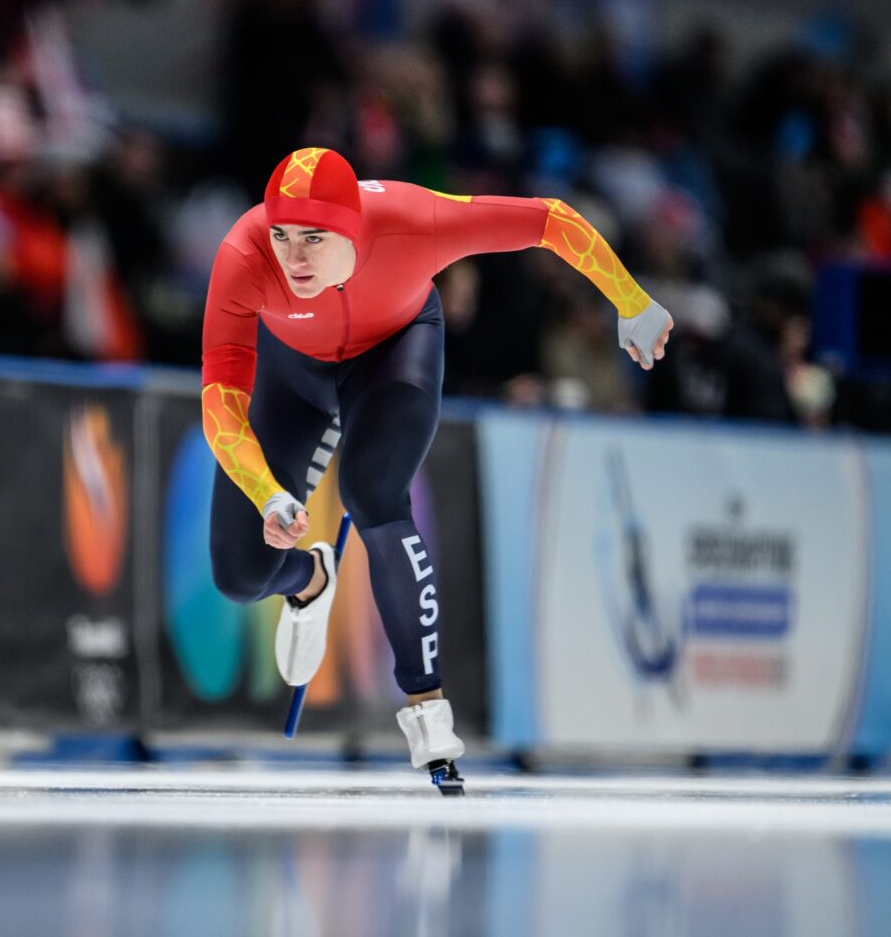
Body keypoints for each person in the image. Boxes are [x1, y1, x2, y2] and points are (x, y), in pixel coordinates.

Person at [201, 147, 672, 784]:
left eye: (314, 239)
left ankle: (426, 709)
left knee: (373, 491)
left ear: (354, 228)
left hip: (393, 355)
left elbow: (551, 219)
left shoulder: (413, 220)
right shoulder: (244, 254)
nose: (294, 259)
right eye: (282, 235)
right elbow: (221, 402)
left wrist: (632, 301)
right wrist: (267, 494)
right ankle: (310, 580)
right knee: (238, 575)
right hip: (294, 377)